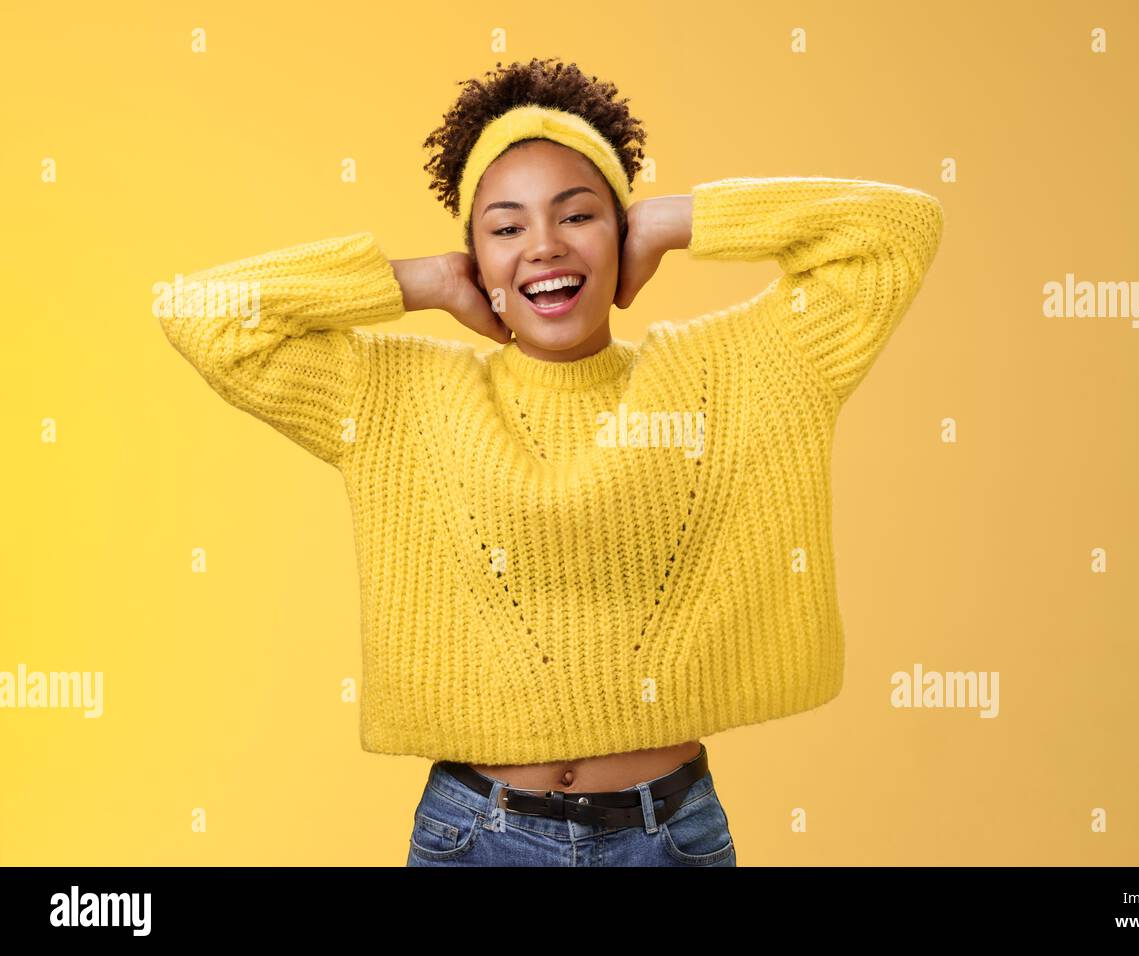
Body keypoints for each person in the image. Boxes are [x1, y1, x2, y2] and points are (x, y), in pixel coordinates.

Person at [158, 57, 944, 867]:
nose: (543, 247)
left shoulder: (731, 373)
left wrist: (681, 219)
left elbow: (895, 234)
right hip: (475, 836)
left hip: (664, 838)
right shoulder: (400, 395)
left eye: (579, 216)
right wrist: (418, 281)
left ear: (622, 232)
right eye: (505, 228)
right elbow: (201, 315)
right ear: (475, 258)